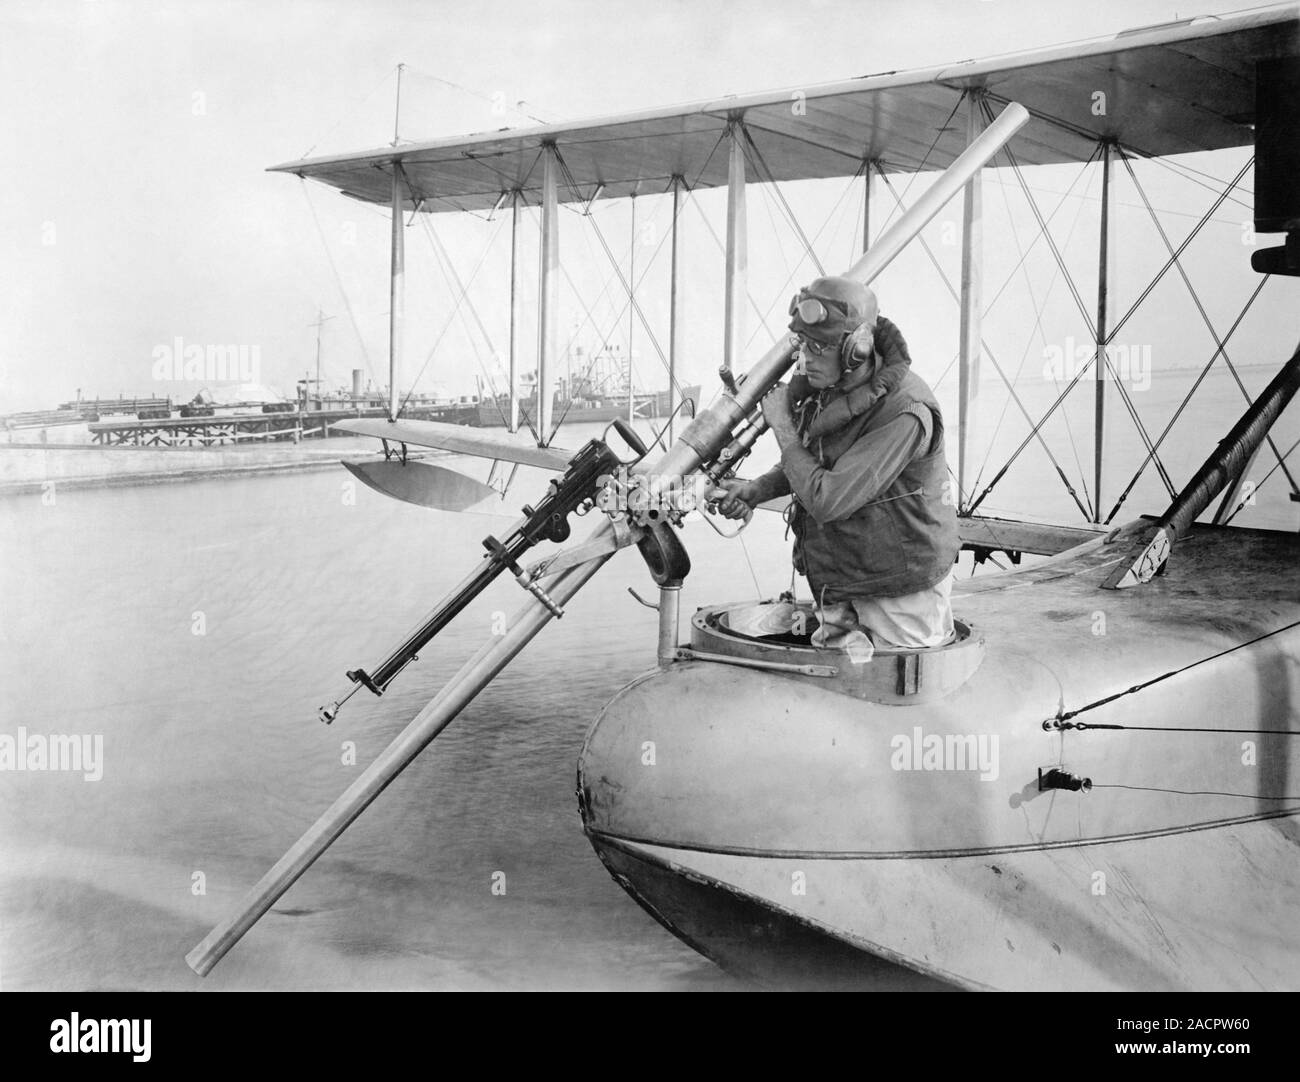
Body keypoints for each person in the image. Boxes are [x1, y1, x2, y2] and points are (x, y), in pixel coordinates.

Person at [716, 275, 960, 650]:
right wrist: (757, 489)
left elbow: (829, 499)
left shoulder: (904, 412)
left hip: (899, 595)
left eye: (819, 347)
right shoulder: (837, 388)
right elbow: (822, 460)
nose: (804, 359)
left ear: (856, 349)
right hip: (844, 579)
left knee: (896, 696)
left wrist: (782, 427)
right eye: (802, 345)